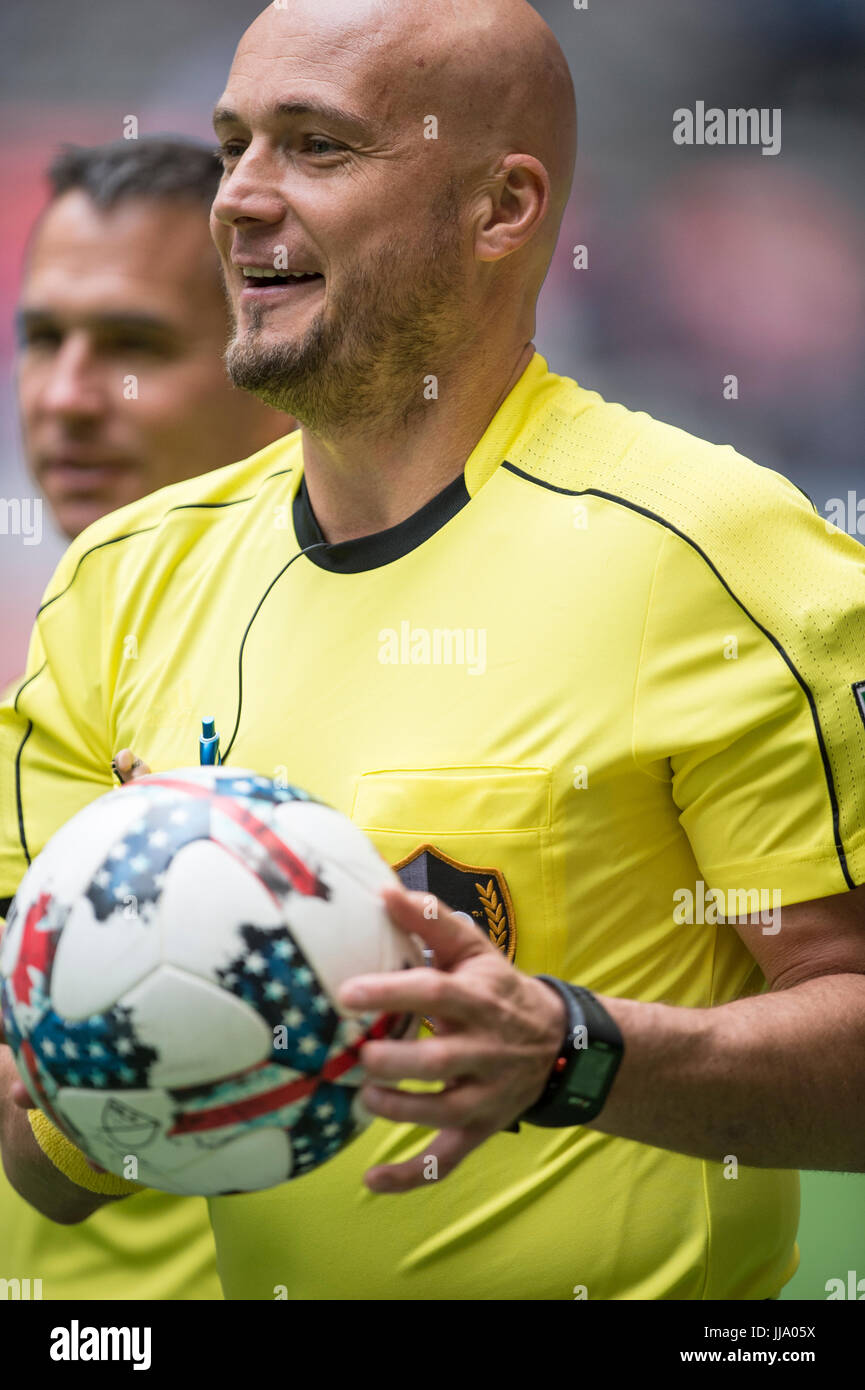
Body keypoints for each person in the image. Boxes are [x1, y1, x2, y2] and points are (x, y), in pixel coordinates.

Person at [2, 0, 864, 1301]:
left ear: (500, 209)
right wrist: (118, 995)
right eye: (234, 142)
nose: (237, 195)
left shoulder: (713, 546)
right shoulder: (119, 585)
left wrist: (579, 1051)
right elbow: (54, 1168)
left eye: (317, 146)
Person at [0, 136, 290, 1301]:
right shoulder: (48, 667)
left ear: (270, 365)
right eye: (42, 339)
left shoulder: (344, 691)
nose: (67, 398)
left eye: (131, 347)